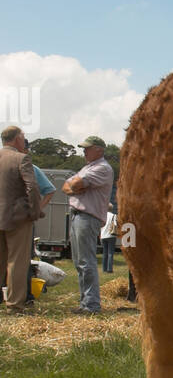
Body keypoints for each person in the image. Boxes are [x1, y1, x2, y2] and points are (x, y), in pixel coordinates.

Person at [61, 135, 114, 315]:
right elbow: (66, 186)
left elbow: (74, 183)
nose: (84, 151)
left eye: (87, 148)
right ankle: (86, 302)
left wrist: (74, 187)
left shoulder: (102, 168)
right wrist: (72, 188)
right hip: (78, 216)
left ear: (99, 149)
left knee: (86, 261)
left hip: (87, 217)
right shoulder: (88, 167)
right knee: (79, 261)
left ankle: (91, 305)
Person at [0, 124, 42, 314]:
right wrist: (34, 211)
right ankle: (14, 305)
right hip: (17, 218)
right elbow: (31, 187)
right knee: (17, 262)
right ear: (17, 139)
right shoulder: (21, 158)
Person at [23, 140, 56, 306]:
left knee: (25, 259)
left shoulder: (32, 169)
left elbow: (50, 190)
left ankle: (27, 295)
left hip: (24, 221)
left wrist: (36, 209)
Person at [101, 192, 118, 273]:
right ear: (112, 209)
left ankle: (104, 269)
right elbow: (115, 224)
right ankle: (109, 269)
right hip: (111, 236)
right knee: (110, 253)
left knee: (105, 253)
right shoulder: (113, 216)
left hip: (103, 236)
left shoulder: (102, 215)